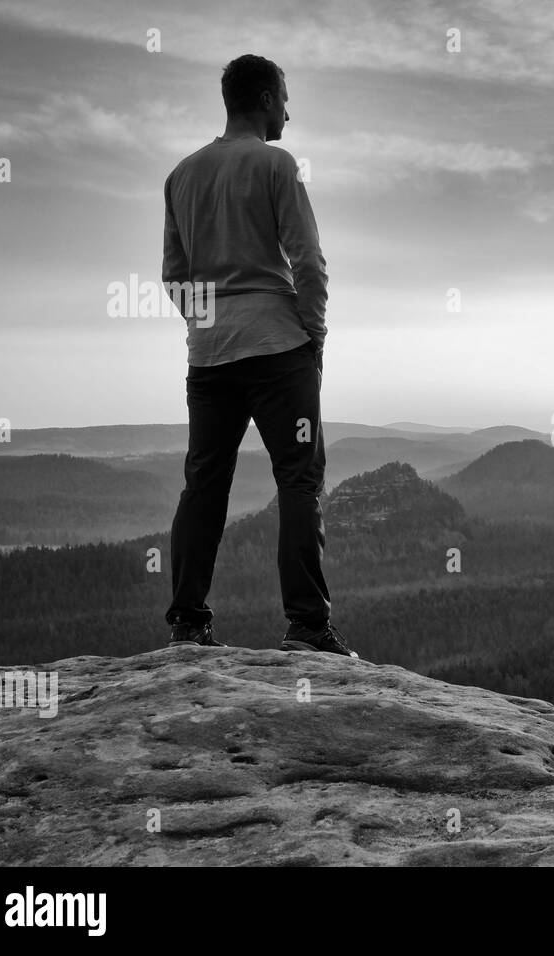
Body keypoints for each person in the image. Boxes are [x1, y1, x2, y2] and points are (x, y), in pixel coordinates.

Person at [162, 54, 357, 658]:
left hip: (210, 353)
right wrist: (313, 334)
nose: (290, 113)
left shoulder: (182, 176)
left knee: (204, 483)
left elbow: (173, 276)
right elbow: (309, 261)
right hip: (279, 347)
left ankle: (188, 626)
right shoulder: (277, 164)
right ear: (267, 98)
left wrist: (207, 323)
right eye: (286, 100)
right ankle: (307, 628)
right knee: (298, 480)